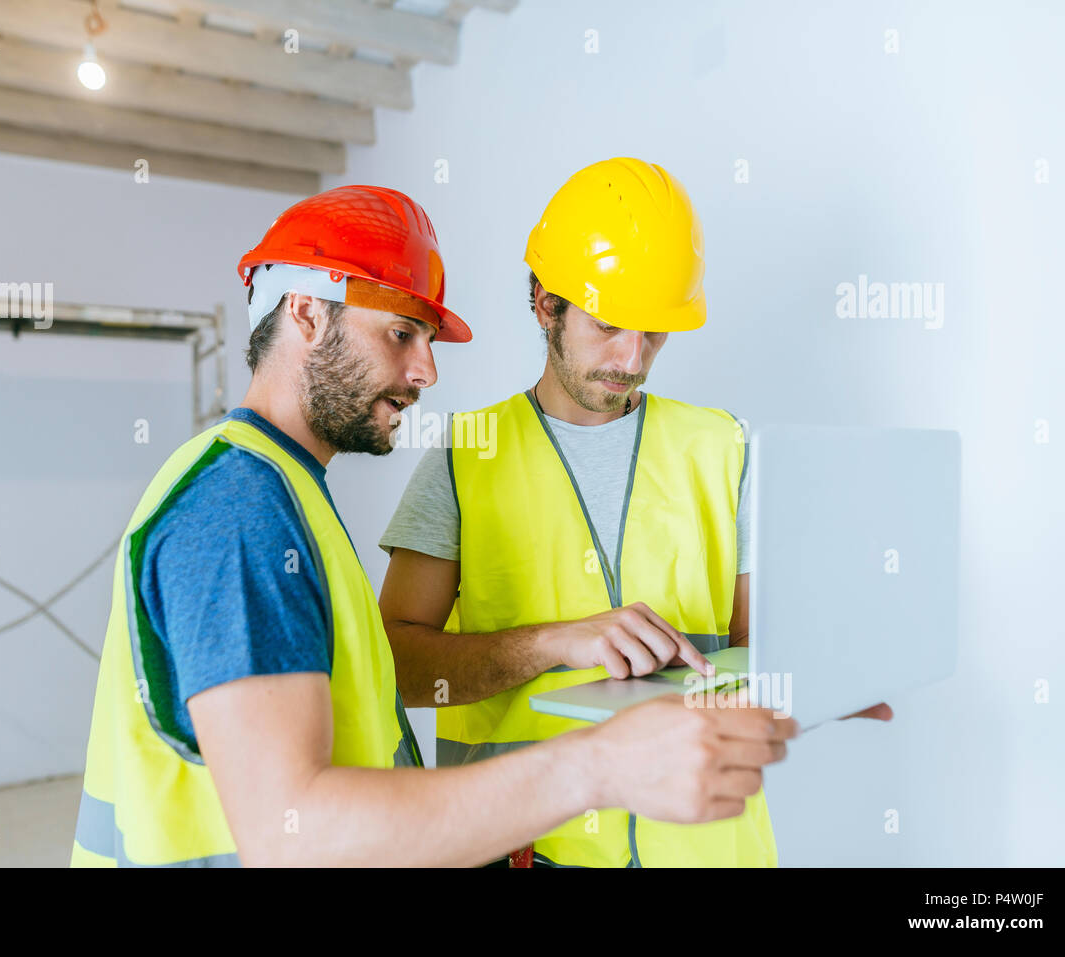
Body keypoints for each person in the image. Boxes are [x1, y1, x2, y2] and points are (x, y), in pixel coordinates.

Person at [71, 182, 797, 868]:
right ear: (305, 311)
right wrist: (599, 763)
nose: (427, 371)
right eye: (400, 333)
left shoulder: (287, 492)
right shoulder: (237, 508)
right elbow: (291, 826)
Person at [378, 158, 890, 868]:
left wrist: (823, 673)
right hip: (528, 847)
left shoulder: (724, 447)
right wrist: (556, 642)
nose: (631, 357)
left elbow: (756, 648)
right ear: (544, 302)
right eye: (610, 324)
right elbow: (396, 667)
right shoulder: (469, 454)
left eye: (654, 332)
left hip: (706, 849)